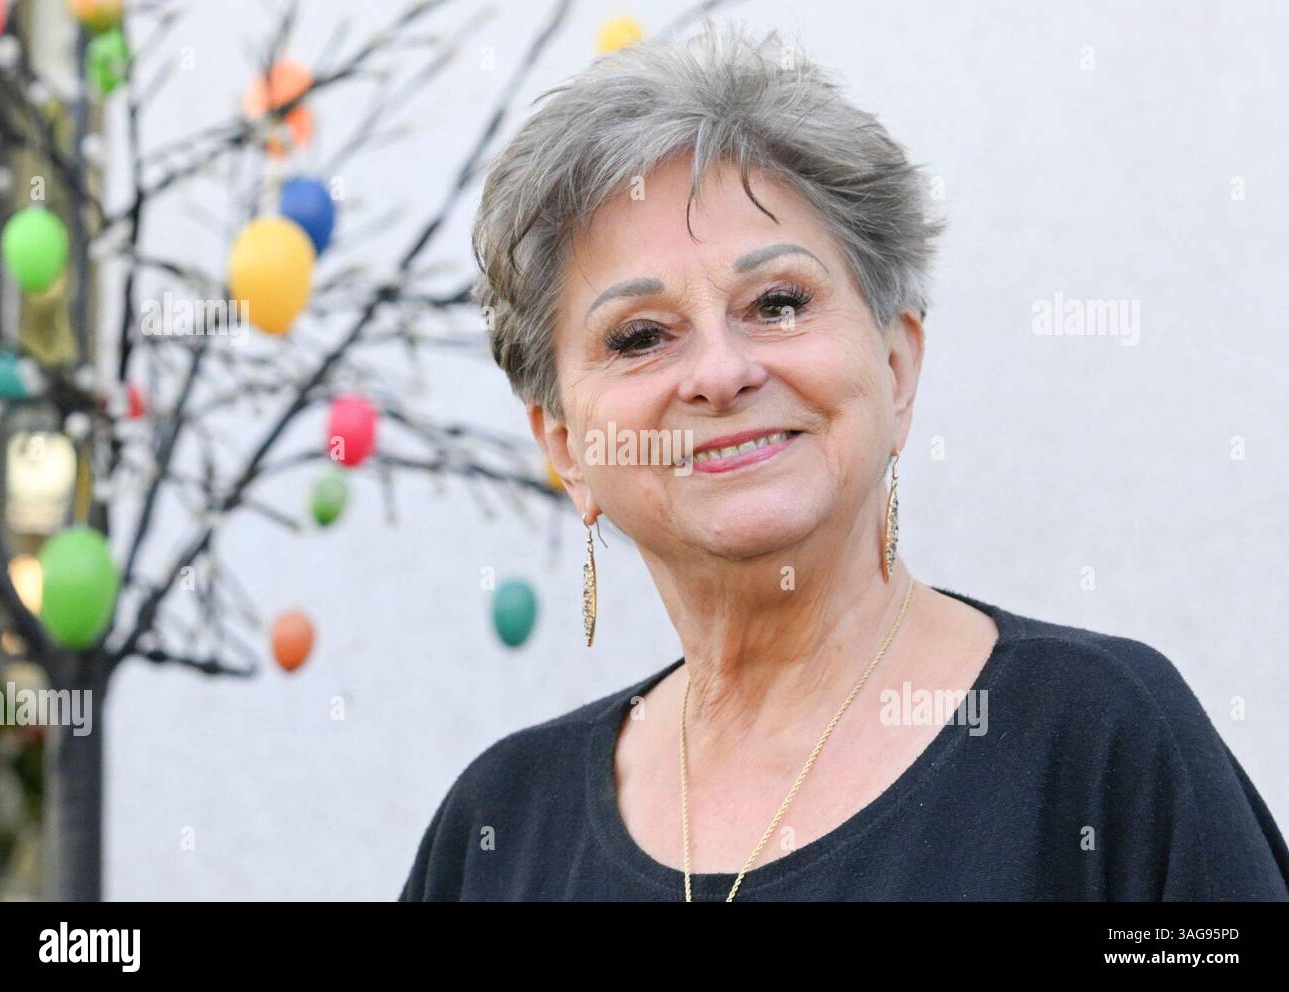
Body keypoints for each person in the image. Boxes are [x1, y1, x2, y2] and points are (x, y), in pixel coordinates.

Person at [399, 21, 1289, 901]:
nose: (720, 372)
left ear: (897, 367)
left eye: (778, 303)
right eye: (640, 337)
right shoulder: (496, 834)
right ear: (565, 447)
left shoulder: (1099, 745)